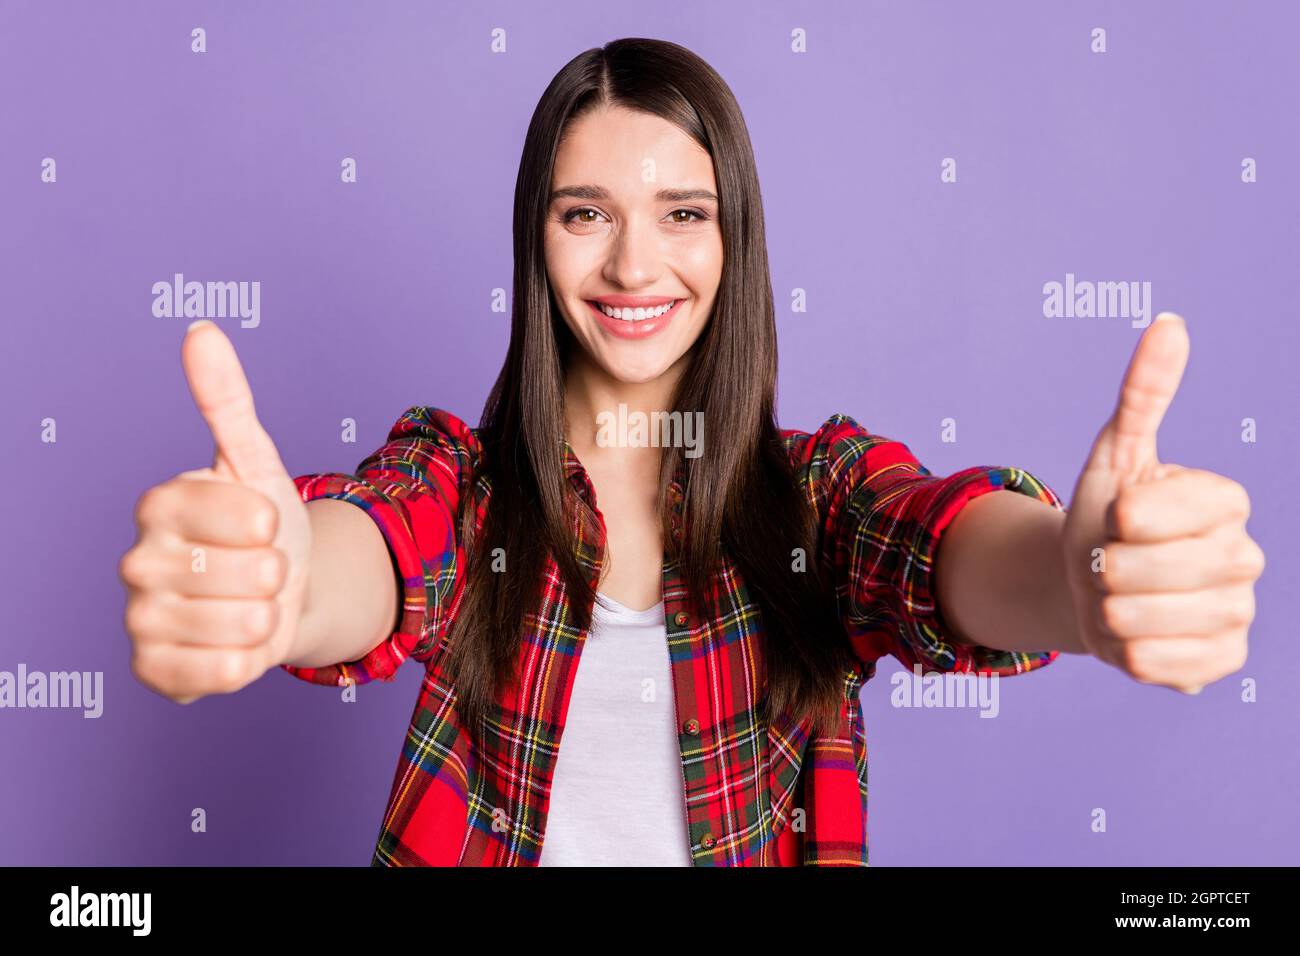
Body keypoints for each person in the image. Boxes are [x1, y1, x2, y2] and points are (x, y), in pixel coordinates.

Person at [118, 38, 1264, 867]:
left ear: (733, 239)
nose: (632, 264)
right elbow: (369, 551)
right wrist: (277, 585)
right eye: (584, 212)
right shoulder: (466, 492)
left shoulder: (816, 498)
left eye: (681, 212)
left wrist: (1074, 577)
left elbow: (940, 547)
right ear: (537, 240)